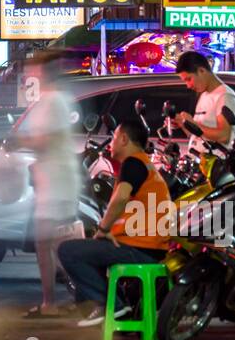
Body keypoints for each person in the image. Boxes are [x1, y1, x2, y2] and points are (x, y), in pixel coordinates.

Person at [59, 118, 172, 327]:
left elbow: (120, 198)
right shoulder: (144, 164)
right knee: (90, 247)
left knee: (67, 251)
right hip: (146, 246)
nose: (110, 143)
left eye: (114, 138)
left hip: (140, 248)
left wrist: (104, 229)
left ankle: (111, 305)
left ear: (124, 139)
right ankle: (109, 307)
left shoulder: (134, 163)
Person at [18, 51, 83, 318]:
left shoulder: (54, 101)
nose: (29, 74)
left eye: (33, 69)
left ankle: (57, 301)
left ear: (43, 72)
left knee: (49, 242)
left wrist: (18, 142)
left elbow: (45, 141)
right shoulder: (49, 100)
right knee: (54, 243)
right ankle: (65, 299)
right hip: (52, 182)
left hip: (58, 184)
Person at [173, 51, 235, 164]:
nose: (188, 86)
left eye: (189, 79)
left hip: (216, 167)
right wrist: (183, 124)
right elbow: (199, 135)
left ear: (202, 70)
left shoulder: (224, 96)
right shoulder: (204, 94)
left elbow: (224, 135)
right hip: (198, 165)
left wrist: (192, 124)